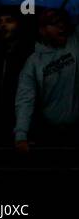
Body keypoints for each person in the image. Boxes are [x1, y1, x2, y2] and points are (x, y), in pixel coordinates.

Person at [14, 8, 79, 151]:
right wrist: (21, 135)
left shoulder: (75, 41)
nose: (61, 26)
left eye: (62, 22)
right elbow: (25, 99)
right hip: (49, 133)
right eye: (54, 23)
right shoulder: (33, 61)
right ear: (42, 30)